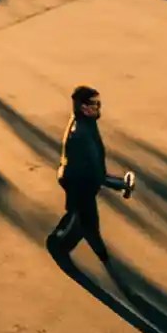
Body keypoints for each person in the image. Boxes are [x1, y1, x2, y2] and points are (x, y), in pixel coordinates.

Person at [47, 85, 111, 266]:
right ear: (83, 107)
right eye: (94, 103)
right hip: (79, 183)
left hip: (81, 181)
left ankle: (60, 241)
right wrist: (118, 184)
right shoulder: (81, 133)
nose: (98, 107)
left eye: (99, 103)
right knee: (90, 226)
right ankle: (103, 259)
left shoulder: (86, 122)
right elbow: (95, 171)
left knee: (79, 217)